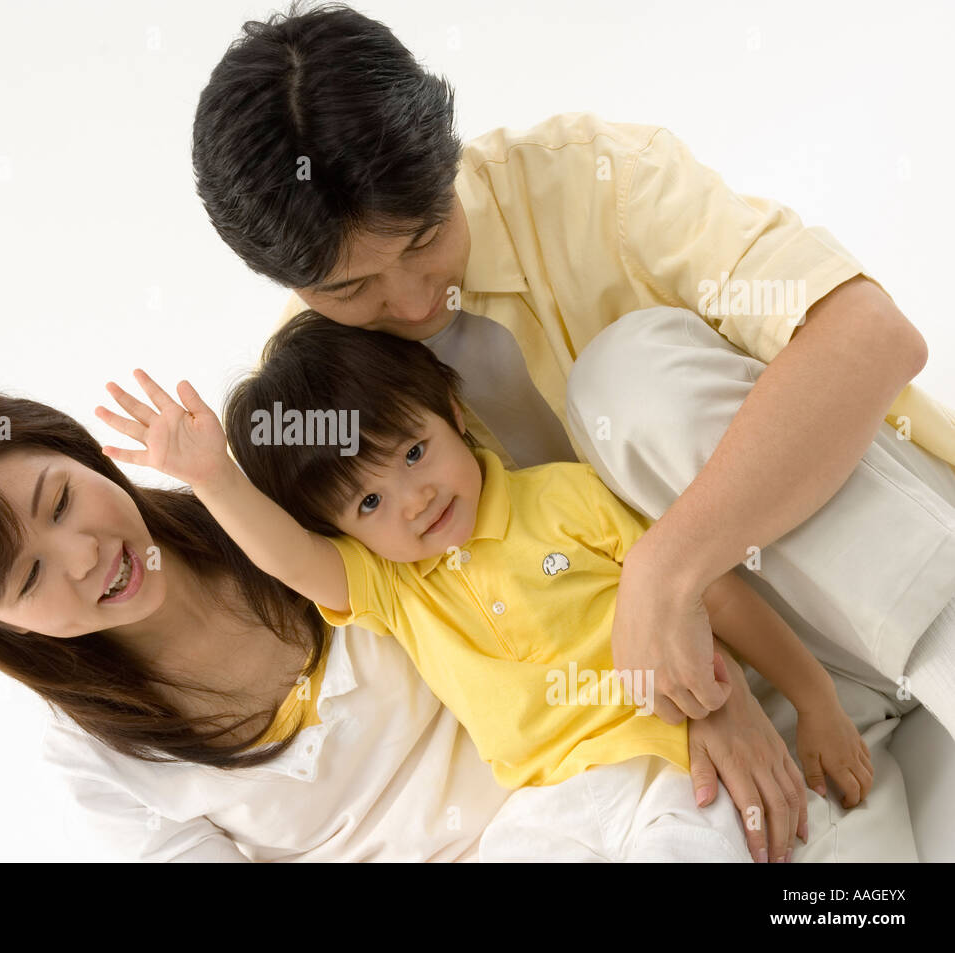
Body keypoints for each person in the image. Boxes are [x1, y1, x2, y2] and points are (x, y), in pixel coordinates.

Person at [189, 1, 955, 817]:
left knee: (625, 383)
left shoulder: (595, 180)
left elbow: (871, 337)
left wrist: (669, 567)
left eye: (424, 239)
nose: (412, 302)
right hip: (728, 717)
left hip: (891, 580)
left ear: (448, 159)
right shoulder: (320, 387)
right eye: (352, 288)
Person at [0, 390, 845, 862]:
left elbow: (528, 568)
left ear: (86, 454)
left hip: (597, 776)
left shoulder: (292, 511)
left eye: (62, 498)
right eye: (27, 574)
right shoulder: (100, 762)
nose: (82, 555)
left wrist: (684, 691)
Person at [93, 311, 872, 861]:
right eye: (369, 503)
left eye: (413, 452)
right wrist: (211, 476)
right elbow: (290, 559)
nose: (414, 498)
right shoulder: (391, 585)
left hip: (673, 762)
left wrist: (816, 700)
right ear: (347, 530)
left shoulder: (567, 498)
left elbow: (717, 595)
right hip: (543, 804)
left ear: (455, 414)